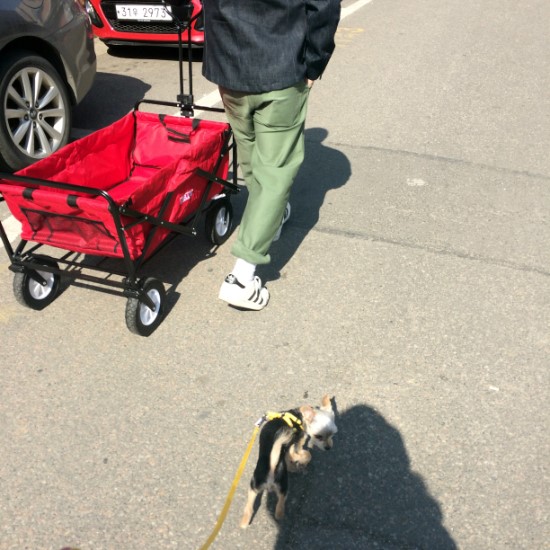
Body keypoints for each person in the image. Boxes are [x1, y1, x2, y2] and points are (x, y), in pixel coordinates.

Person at [201, 0, 341, 310]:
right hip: (281, 64)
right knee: (275, 170)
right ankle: (242, 277)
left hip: (228, 65)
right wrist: (314, 64)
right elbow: (324, 7)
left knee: (250, 150)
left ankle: (269, 220)